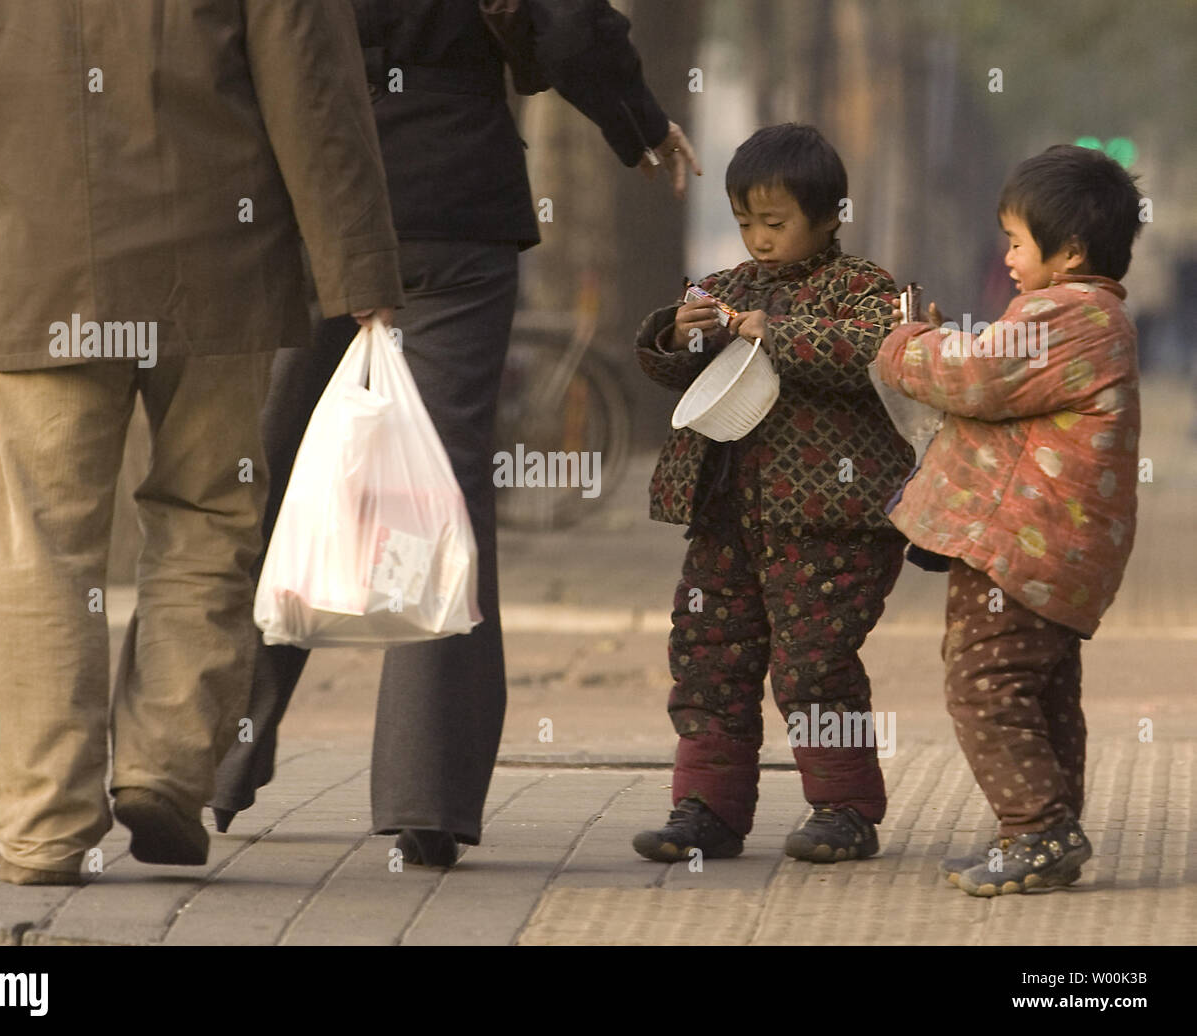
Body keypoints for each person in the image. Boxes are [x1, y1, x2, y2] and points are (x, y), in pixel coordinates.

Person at [0, 0, 402, 884]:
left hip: (48, 246)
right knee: (208, 510)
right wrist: (357, 263)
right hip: (221, 243)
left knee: (39, 542)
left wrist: (1, 180)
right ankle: (166, 768)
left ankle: (43, 823)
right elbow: (308, 67)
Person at [210, 0, 701, 868]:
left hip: (306, 191)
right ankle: (425, 798)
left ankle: (209, 754)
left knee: (262, 480)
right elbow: (573, 27)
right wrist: (640, 122)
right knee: (441, 490)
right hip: (449, 204)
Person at [631, 123, 915, 865]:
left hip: (833, 524)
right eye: (746, 222)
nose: (759, 239)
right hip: (726, 516)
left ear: (827, 219)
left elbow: (876, 352)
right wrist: (679, 334)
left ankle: (844, 808)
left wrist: (780, 332)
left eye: (776, 223)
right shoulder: (722, 289)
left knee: (813, 664)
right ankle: (706, 809)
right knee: (708, 655)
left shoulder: (862, 288)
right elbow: (670, 370)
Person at [876, 144, 1144, 896]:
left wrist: (905, 347)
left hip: (1022, 551)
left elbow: (980, 378)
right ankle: (1046, 829)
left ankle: (1036, 828)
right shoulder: (1098, 319)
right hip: (1062, 558)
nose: (1009, 255)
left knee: (982, 683)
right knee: (1042, 690)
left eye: (1018, 241)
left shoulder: (1070, 315)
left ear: (1071, 252)